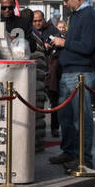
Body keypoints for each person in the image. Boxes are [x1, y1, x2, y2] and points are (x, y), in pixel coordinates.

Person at [47, 0, 95, 173]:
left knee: (81, 119)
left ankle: (85, 159)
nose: (64, 4)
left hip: (81, 73)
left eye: (66, 0)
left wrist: (64, 42)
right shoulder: (76, 14)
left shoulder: (89, 16)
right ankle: (69, 152)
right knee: (66, 117)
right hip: (69, 72)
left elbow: (87, 46)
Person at [29, 11, 59, 143]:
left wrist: (51, 45)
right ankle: (36, 131)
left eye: (39, 20)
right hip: (36, 70)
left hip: (51, 69)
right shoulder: (29, 31)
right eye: (35, 21)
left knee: (54, 101)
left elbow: (59, 40)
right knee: (37, 102)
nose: (37, 23)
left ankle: (55, 128)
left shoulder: (52, 29)